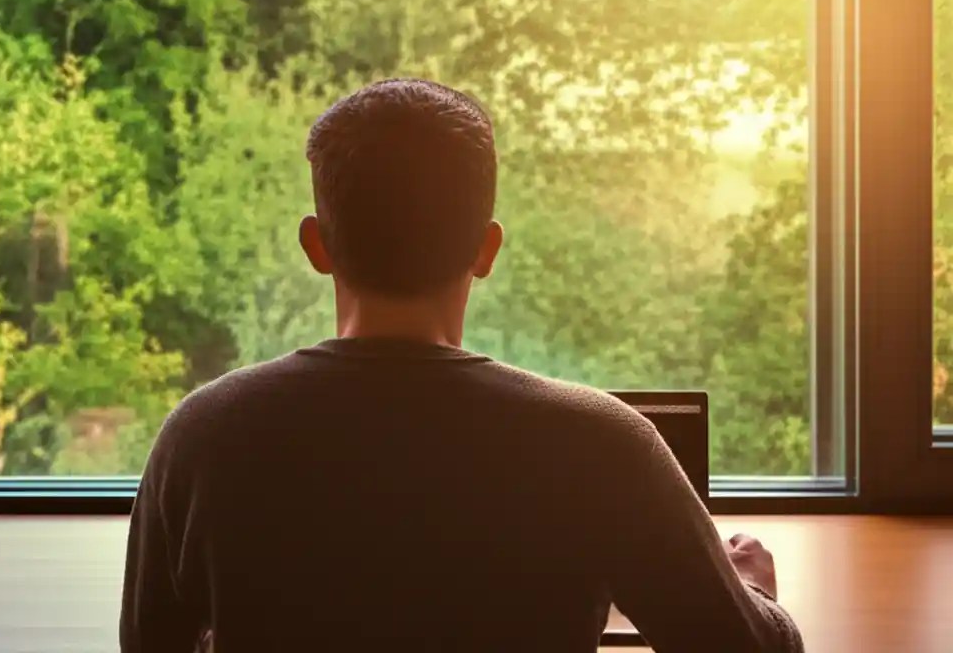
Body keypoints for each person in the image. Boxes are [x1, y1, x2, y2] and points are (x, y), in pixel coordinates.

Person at [120, 79, 805, 652]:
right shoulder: (601, 444)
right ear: (486, 249)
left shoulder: (202, 436)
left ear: (317, 244)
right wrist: (752, 592)